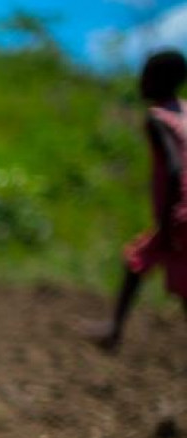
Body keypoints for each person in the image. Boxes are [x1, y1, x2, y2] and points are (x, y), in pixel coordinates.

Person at [85, 49, 187, 350]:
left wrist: (167, 223)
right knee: (142, 264)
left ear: (159, 81)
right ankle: (113, 330)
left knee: (138, 260)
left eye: (146, 76)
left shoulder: (158, 119)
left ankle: (113, 332)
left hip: (180, 216)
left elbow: (173, 168)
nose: (140, 82)